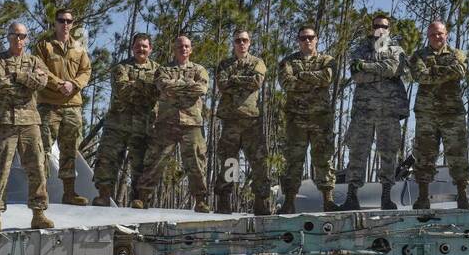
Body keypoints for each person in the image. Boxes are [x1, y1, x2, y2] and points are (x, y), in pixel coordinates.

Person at [0, 23, 53, 231]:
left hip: (30, 123)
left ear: (27, 38)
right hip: (5, 122)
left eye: (23, 35)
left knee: (37, 168)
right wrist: (25, 85)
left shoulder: (35, 61)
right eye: (15, 35)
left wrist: (18, 76)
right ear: (8, 37)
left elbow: (42, 82)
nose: (19, 39)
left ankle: (38, 213)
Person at [132, 35, 211, 212]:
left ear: (191, 49)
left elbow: (201, 89)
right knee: (155, 160)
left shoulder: (200, 69)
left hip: (192, 123)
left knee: (196, 163)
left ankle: (200, 200)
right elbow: (163, 86)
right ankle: (142, 197)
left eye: (186, 46)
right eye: (179, 46)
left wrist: (176, 87)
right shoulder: (163, 69)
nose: (183, 49)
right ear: (174, 49)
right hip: (166, 123)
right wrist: (187, 85)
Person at [341, 13, 409, 211]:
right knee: (357, 153)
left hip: (388, 112)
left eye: (384, 26)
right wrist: (375, 70)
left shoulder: (396, 50)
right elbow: (357, 75)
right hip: (363, 111)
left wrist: (366, 66)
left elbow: (393, 68)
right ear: (371, 28)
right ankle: (352, 196)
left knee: (388, 154)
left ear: (389, 29)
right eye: (377, 25)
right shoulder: (360, 49)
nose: (380, 28)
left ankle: (386, 197)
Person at [409, 20, 469, 210]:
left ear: (447, 34)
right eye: (434, 34)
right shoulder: (418, 55)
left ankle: (462, 195)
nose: (437, 37)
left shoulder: (457, 53)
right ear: (428, 36)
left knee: (457, 154)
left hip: (452, 114)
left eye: (440, 33)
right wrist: (445, 71)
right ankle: (422, 197)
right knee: (424, 155)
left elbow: (459, 71)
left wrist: (433, 71)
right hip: (426, 114)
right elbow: (419, 76)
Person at [92, 33, 160, 206]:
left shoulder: (159, 71)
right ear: (132, 47)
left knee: (142, 165)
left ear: (150, 49)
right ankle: (104, 195)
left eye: (145, 46)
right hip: (117, 124)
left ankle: (139, 199)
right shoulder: (121, 67)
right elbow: (122, 89)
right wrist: (147, 88)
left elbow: (159, 92)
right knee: (107, 159)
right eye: (138, 45)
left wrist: (136, 85)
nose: (141, 49)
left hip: (144, 126)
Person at [33, 8, 92, 206]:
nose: (65, 24)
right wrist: (59, 84)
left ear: (73, 24)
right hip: (49, 105)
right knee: (43, 149)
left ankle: (69, 193)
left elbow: (86, 71)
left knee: (70, 149)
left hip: (72, 106)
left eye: (69, 21)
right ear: (55, 23)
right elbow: (39, 69)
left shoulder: (79, 49)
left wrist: (73, 85)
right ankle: (40, 193)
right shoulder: (44, 46)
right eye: (61, 21)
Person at [277, 25, 337, 212]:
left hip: (321, 119)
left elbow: (327, 78)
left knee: (324, 159)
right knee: (293, 160)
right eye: (303, 38)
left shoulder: (327, 60)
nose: (307, 41)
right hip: (296, 120)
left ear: (317, 39)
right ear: (298, 41)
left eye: (310, 37)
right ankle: (289, 202)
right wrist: (313, 80)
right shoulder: (288, 61)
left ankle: (328, 200)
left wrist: (301, 76)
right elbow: (287, 82)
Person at [213, 30, 270, 214]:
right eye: (238, 40)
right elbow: (222, 84)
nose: (241, 43)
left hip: (251, 121)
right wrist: (239, 80)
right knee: (230, 163)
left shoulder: (257, 62)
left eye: (244, 40)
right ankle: (224, 200)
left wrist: (234, 79)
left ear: (250, 42)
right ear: (233, 43)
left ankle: (261, 201)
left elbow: (256, 81)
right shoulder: (225, 64)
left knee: (258, 161)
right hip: (231, 121)